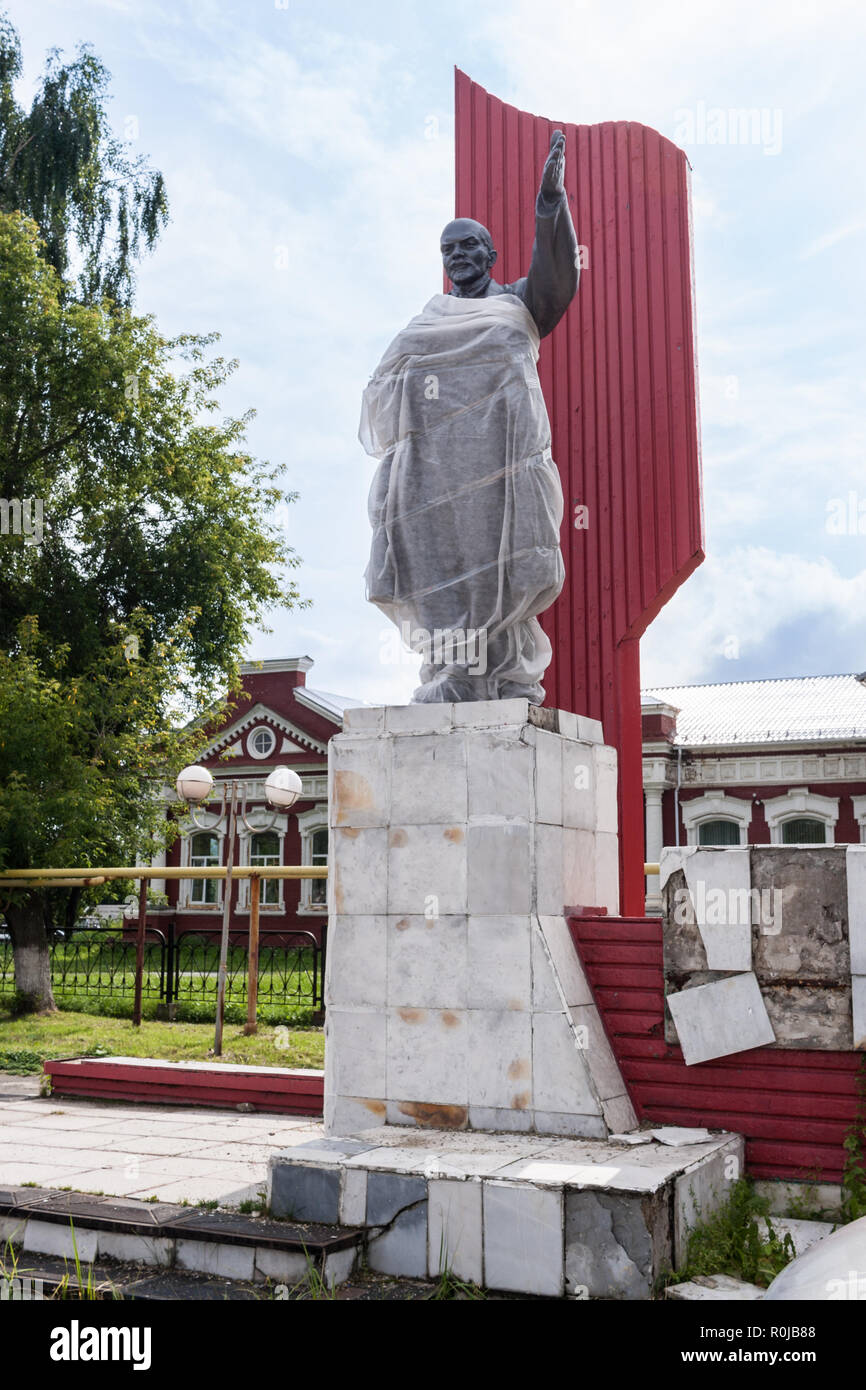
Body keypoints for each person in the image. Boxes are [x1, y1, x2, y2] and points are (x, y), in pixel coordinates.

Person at [360, 130, 579, 704]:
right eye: (448, 249)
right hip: (435, 478)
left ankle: (505, 677)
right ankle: (453, 673)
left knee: (502, 569)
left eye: (469, 245)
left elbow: (559, 280)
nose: (458, 255)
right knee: (441, 572)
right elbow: (386, 393)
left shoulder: (516, 305)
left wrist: (551, 205)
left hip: (502, 470)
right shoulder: (426, 323)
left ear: (491, 255)